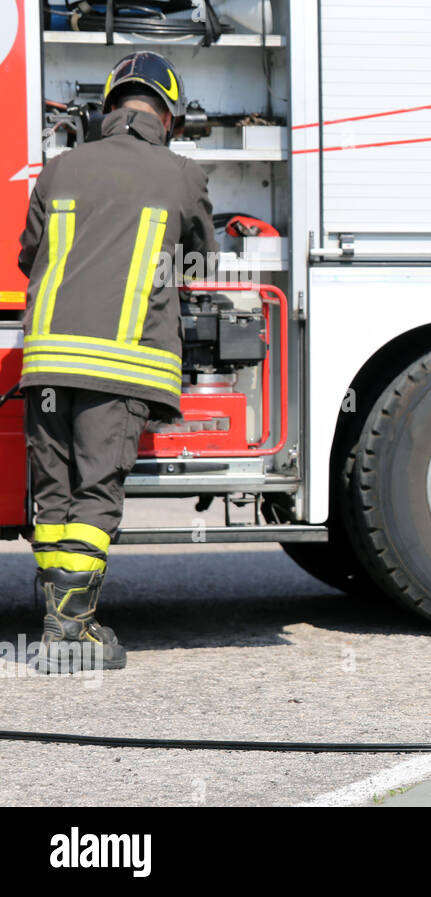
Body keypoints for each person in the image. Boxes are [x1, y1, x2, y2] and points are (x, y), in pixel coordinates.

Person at [17, 51, 217, 673]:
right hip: (120, 365)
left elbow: (30, 257)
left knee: (54, 497)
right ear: (170, 116)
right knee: (96, 494)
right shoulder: (180, 174)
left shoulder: (58, 169)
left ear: (108, 108)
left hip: (46, 364)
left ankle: (57, 622)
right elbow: (201, 265)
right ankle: (71, 634)